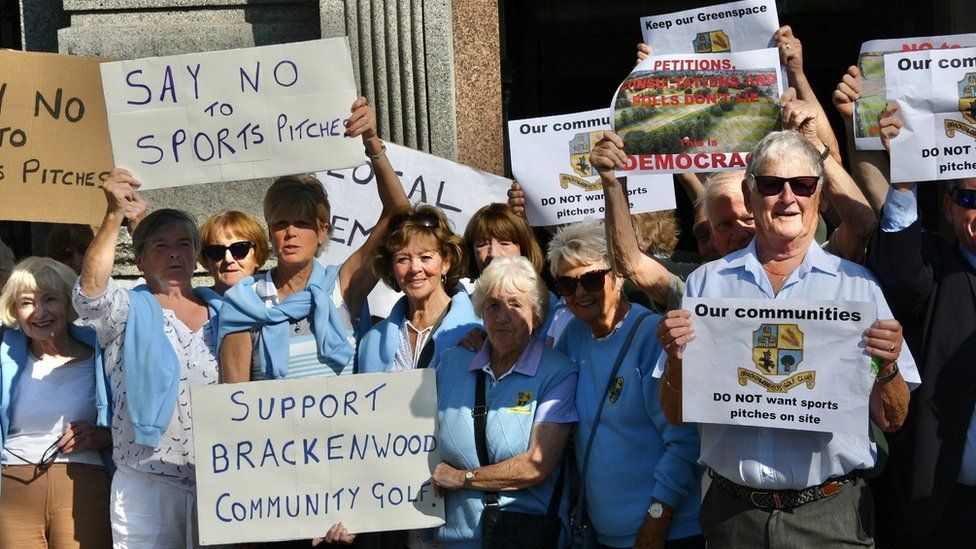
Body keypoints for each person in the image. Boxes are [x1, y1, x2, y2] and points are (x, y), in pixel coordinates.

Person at [655, 130, 917, 548]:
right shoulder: (706, 285)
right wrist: (675, 358)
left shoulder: (857, 288)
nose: (787, 197)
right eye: (772, 184)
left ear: (821, 197)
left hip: (829, 518)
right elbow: (675, 413)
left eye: (803, 184)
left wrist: (887, 366)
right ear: (750, 194)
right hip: (732, 517)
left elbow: (893, 419)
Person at [73, 170, 224, 548]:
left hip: (220, 486)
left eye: (183, 244)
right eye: (160, 246)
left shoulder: (227, 315)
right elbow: (90, 294)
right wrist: (114, 215)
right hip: (148, 487)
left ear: (196, 256)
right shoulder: (125, 311)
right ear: (138, 260)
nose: (174, 252)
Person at [220, 97, 409, 384]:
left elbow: (400, 212)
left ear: (322, 231)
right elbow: (234, 398)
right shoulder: (244, 302)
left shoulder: (342, 287)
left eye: (302, 223)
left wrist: (371, 143)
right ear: (270, 232)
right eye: (281, 223)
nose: (291, 232)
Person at [547, 219, 702, 548]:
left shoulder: (652, 336)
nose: (580, 293)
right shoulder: (572, 336)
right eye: (567, 284)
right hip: (605, 535)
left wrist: (656, 522)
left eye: (591, 279)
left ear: (618, 276)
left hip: (667, 533)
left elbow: (684, 442)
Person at [865, 104, 976, 548]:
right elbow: (900, 274)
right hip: (946, 506)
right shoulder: (936, 264)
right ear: (948, 208)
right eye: (970, 199)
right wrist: (905, 179)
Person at [431, 256, 577, 548]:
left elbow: (535, 466)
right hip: (454, 539)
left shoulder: (558, 373)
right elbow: (413, 439)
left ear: (537, 316)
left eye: (515, 305)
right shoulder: (452, 363)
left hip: (524, 536)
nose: (502, 317)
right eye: (493, 305)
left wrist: (463, 478)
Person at [0, 257, 112, 548]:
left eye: (50, 299)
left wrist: (101, 436)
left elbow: (130, 422)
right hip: (13, 486)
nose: (39, 312)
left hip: (83, 482)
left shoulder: (102, 356)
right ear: (14, 310)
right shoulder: (4, 357)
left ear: (68, 302)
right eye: (26, 302)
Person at [358, 204, 481, 373]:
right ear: (391, 268)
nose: (414, 268)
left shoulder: (479, 329)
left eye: (425, 257)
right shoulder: (372, 341)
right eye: (402, 259)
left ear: (446, 262)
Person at [198, 210, 271, 295]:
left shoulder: (275, 300)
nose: (228, 259)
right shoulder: (193, 301)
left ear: (257, 255)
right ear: (206, 259)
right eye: (217, 251)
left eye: (239, 249)